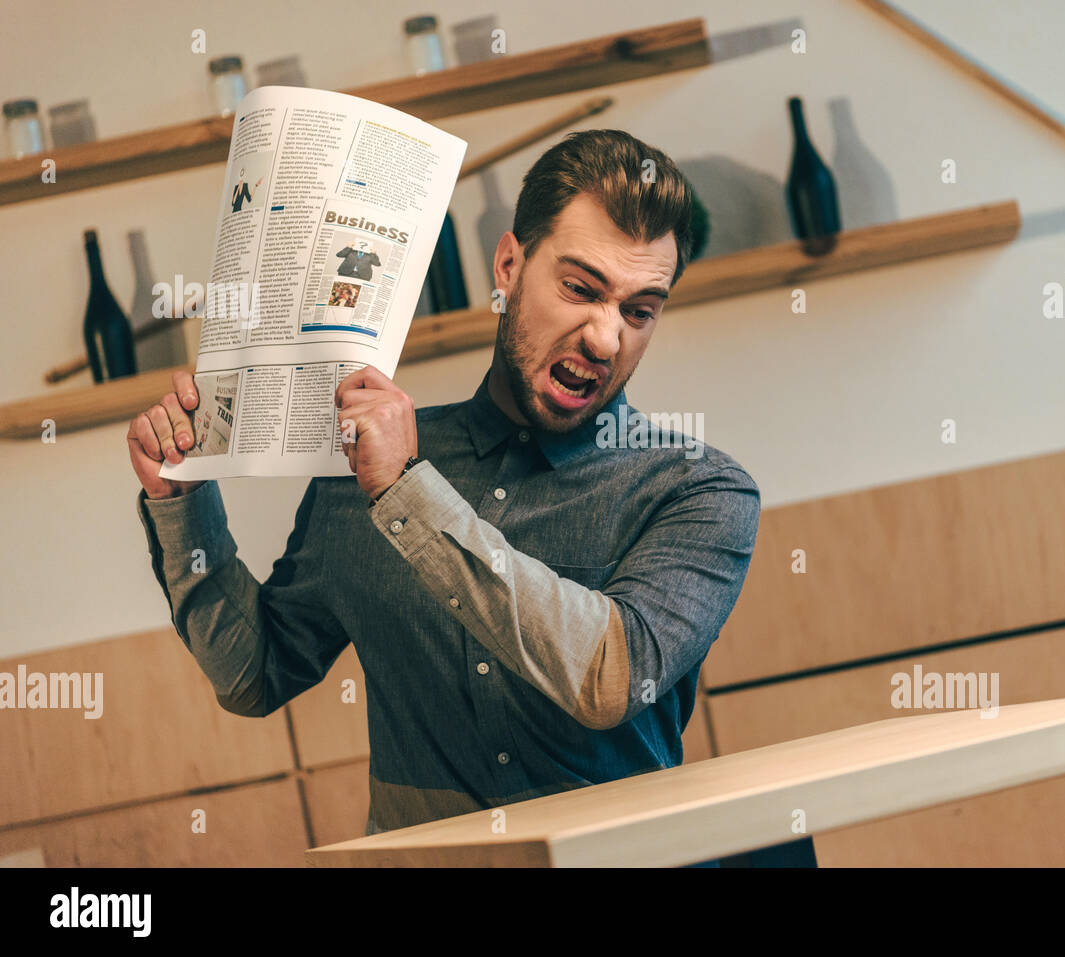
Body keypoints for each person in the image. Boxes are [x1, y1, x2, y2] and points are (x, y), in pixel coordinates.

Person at [128, 129, 808, 866]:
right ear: (509, 266)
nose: (607, 338)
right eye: (580, 288)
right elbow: (254, 674)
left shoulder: (700, 491)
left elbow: (610, 675)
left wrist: (405, 493)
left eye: (640, 309)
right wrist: (180, 500)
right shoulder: (359, 471)